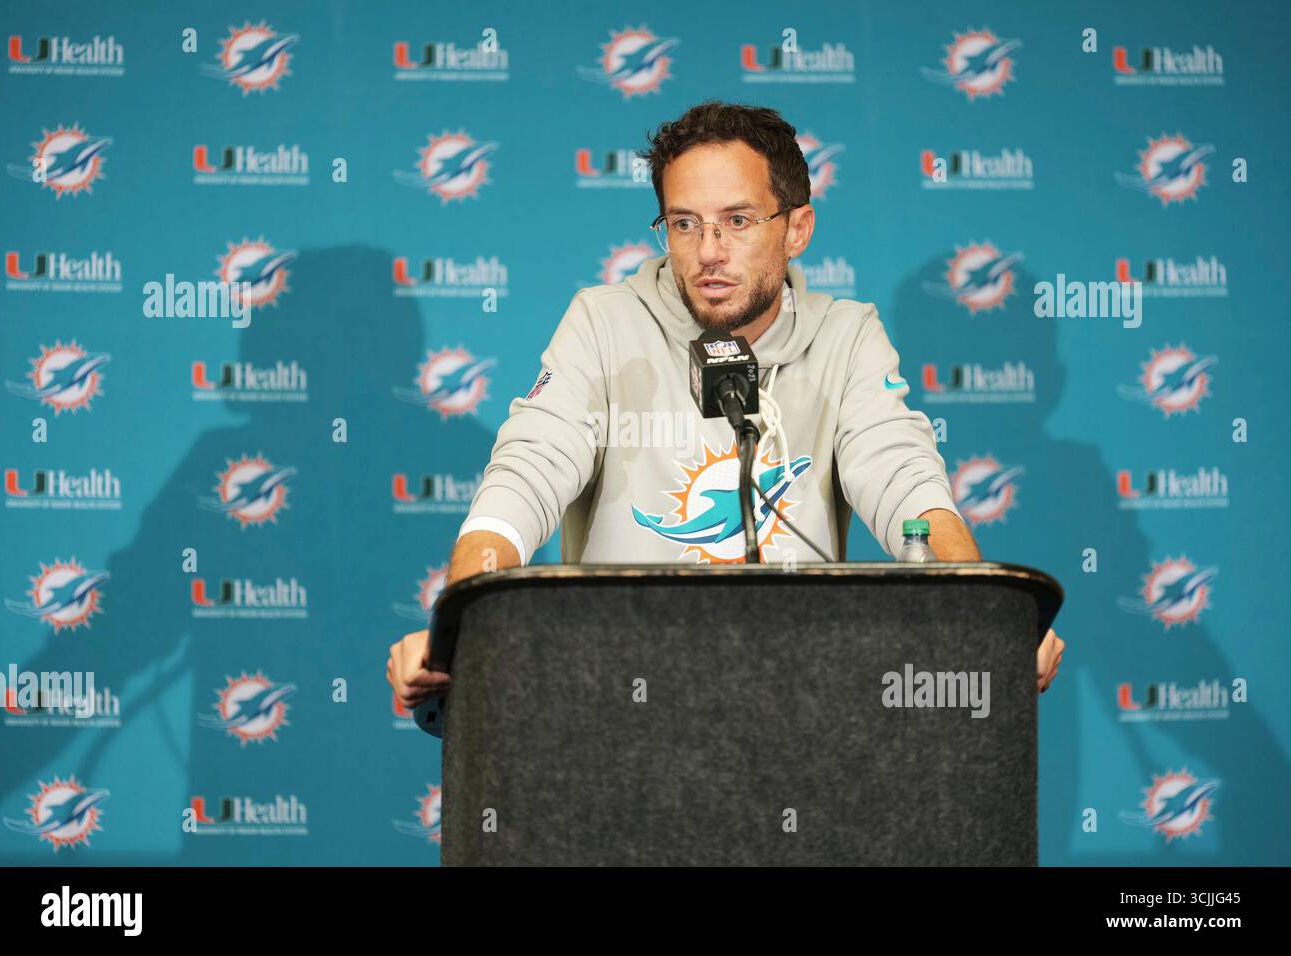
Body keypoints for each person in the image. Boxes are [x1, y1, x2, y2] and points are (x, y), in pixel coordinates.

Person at [387, 101, 1064, 707]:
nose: (708, 253)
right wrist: (462, 625)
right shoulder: (603, 322)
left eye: (737, 222)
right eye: (684, 224)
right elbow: (524, 478)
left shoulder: (847, 335)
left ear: (797, 228)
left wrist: (986, 621)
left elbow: (905, 484)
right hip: (620, 697)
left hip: (800, 698)